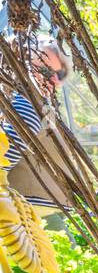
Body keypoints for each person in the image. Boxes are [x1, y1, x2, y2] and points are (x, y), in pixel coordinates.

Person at [5, 43, 72, 224]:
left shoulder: (28, 101)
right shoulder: (30, 100)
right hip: (41, 208)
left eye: (59, 74)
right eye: (45, 70)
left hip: (29, 208)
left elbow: (11, 146)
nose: (55, 80)